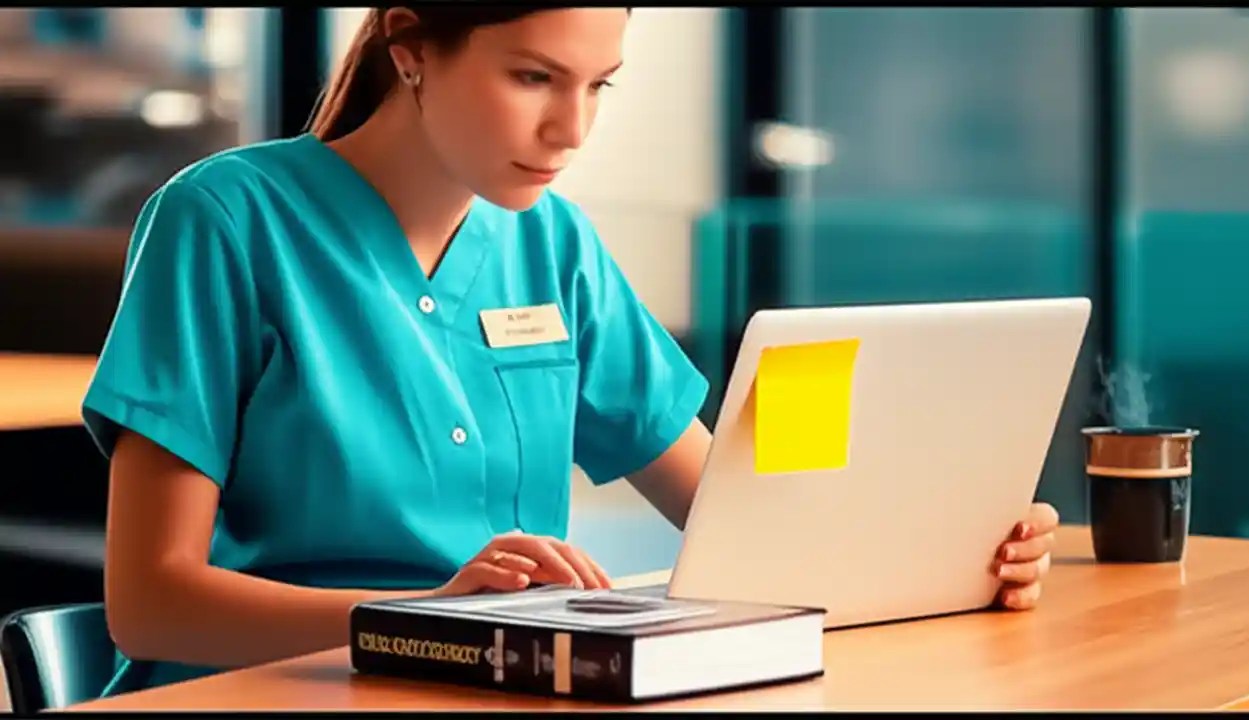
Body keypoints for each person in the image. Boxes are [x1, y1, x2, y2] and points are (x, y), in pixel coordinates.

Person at [80, 6, 1061, 697]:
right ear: (411, 48)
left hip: (495, 693)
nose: (572, 129)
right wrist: (428, 618)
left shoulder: (551, 245)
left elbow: (736, 515)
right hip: (259, 693)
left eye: (597, 85)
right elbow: (150, 603)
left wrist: (950, 550)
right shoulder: (222, 221)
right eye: (533, 77)